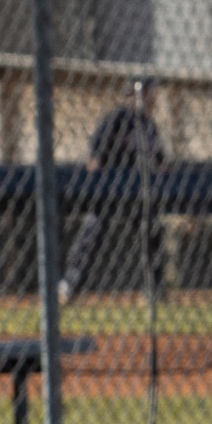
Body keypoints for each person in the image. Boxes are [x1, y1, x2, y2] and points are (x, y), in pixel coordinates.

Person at [60, 76, 163, 302]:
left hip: (137, 192)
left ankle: (154, 289)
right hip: (110, 191)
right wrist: (100, 186)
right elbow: (94, 158)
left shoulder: (148, 125)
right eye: (148, 93)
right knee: (93, 231)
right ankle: (69, 285)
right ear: (136, 94)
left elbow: (160, 162)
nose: (153, 98)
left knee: (151, 229)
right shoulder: (117, 119)